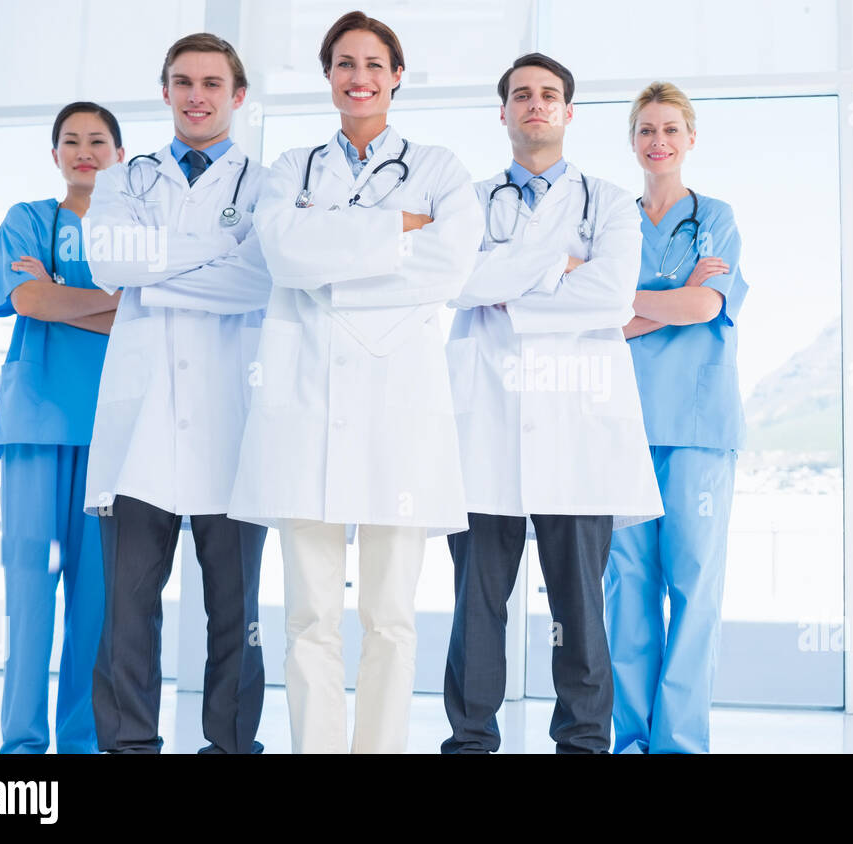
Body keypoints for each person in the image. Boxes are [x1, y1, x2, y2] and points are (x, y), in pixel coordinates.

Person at [227, 11, 482, 754]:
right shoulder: (292, 169)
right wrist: (393, 230)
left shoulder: (439, 169)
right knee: (308, 616)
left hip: (399, 418)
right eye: (344, 63)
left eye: (374, 63)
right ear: (329, 75)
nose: (359, 76)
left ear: (396, 75)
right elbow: (282, 257)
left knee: (391, 617)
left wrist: (330, 260)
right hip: (304, 409)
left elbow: (448, 269)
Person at [441, 53, 662, 754]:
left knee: (581, 607)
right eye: (521, 95)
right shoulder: (468, 201)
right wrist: (557, 264)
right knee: (477, 604)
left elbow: (613, 294)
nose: (534, 105)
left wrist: (509, 276)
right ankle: (471, 741)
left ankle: (583, 742)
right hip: (488, 424)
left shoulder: (610, 201)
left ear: (569, 113)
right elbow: (457, 282)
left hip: (579, 425)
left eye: (548, 95)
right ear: (502, 113)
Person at [83, 33, 272, 754]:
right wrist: (215, 251)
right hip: (143, 429)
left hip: (234, 422)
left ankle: (230, 746)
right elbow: (107, 258)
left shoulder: (268, 182)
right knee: (127, 612)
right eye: (184, 82)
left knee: (236, 612)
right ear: (165, 91)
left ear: (237, 96)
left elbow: (261, 279)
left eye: (212, 84)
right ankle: (128, 746)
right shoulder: (124, 179)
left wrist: (152, 268)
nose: (197, 95)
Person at [606, 82, 749, 754]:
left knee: (692, 591)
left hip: (697, 428)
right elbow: (594, 316)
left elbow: (705, 310)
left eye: (670, 130)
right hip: (621, 428)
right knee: (627, 594)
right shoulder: (612, 220)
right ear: (633, 140)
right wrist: (677, 289)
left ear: (690, 139)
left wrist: (638, 306)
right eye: (646, 130)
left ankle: (679, 746)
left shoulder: (715, 216)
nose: (658, 141)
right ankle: (632, 742)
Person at [0, 102, 124, 754]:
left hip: (111, 436)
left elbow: (146, 317)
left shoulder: (133, 234)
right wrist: (111, 301)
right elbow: (29, 300)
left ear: (119, 155)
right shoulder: (27, 221)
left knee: (95, 610)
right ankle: (20, 748)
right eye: (71, 140)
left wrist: (63, 297)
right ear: (55, 155)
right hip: (37, 428)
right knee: (31, 600)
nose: (85, 150)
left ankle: (82, 745)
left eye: (98, 140)